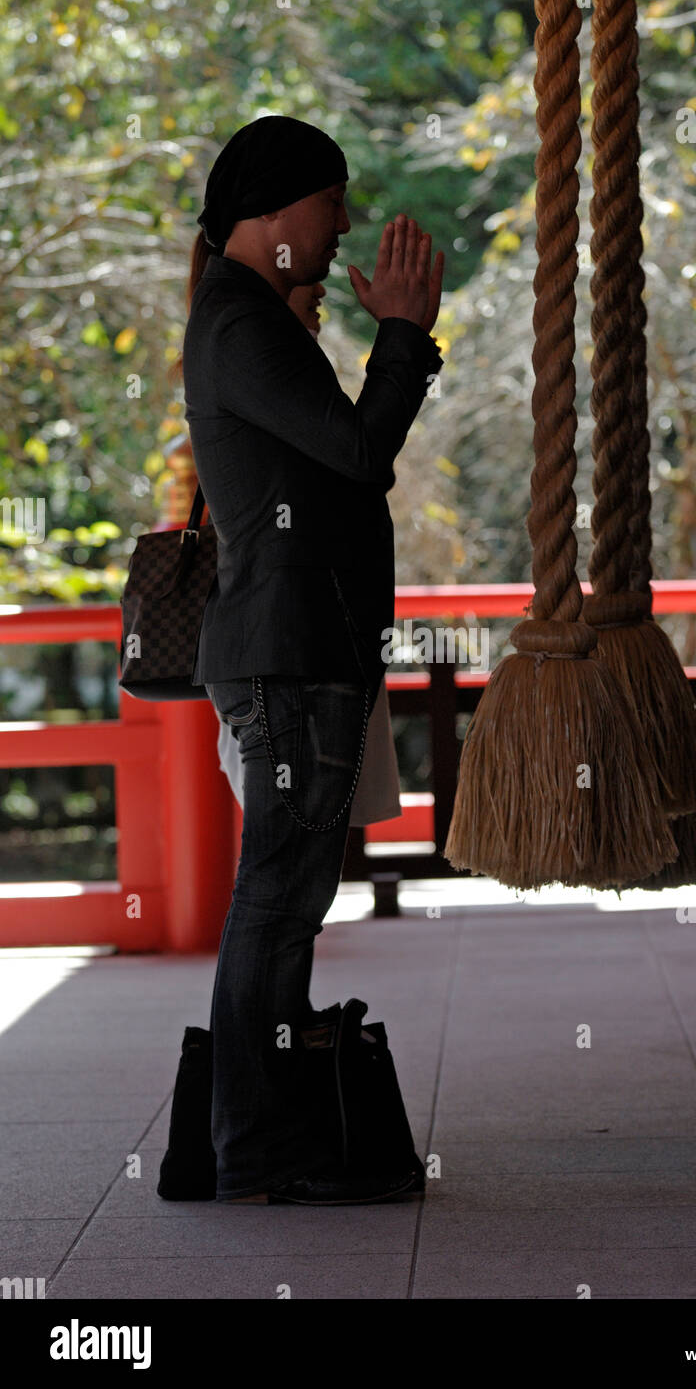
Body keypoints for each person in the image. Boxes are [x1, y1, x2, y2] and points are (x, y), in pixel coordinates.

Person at [182, 115, 444, 1206]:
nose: (341, 229)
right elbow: (355, 453)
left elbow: (341, 469)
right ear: (276, 211)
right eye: (329, 204)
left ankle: (260, 1135)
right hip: (284, 651)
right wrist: (402, 337)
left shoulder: (251, 320)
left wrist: (393, 341)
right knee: (280, 898)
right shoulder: (241, 326)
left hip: (303, 644)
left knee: (289, 897)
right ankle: (257, 1144)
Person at [213, 279, 402, 829]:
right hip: (288, 641)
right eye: (300, 282)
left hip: (307, 633)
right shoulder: (253, 363)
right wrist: (401, 336)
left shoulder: (272, 370)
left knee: (297, 872)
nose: (318, 286)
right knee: (282, 877)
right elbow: (363, 466)